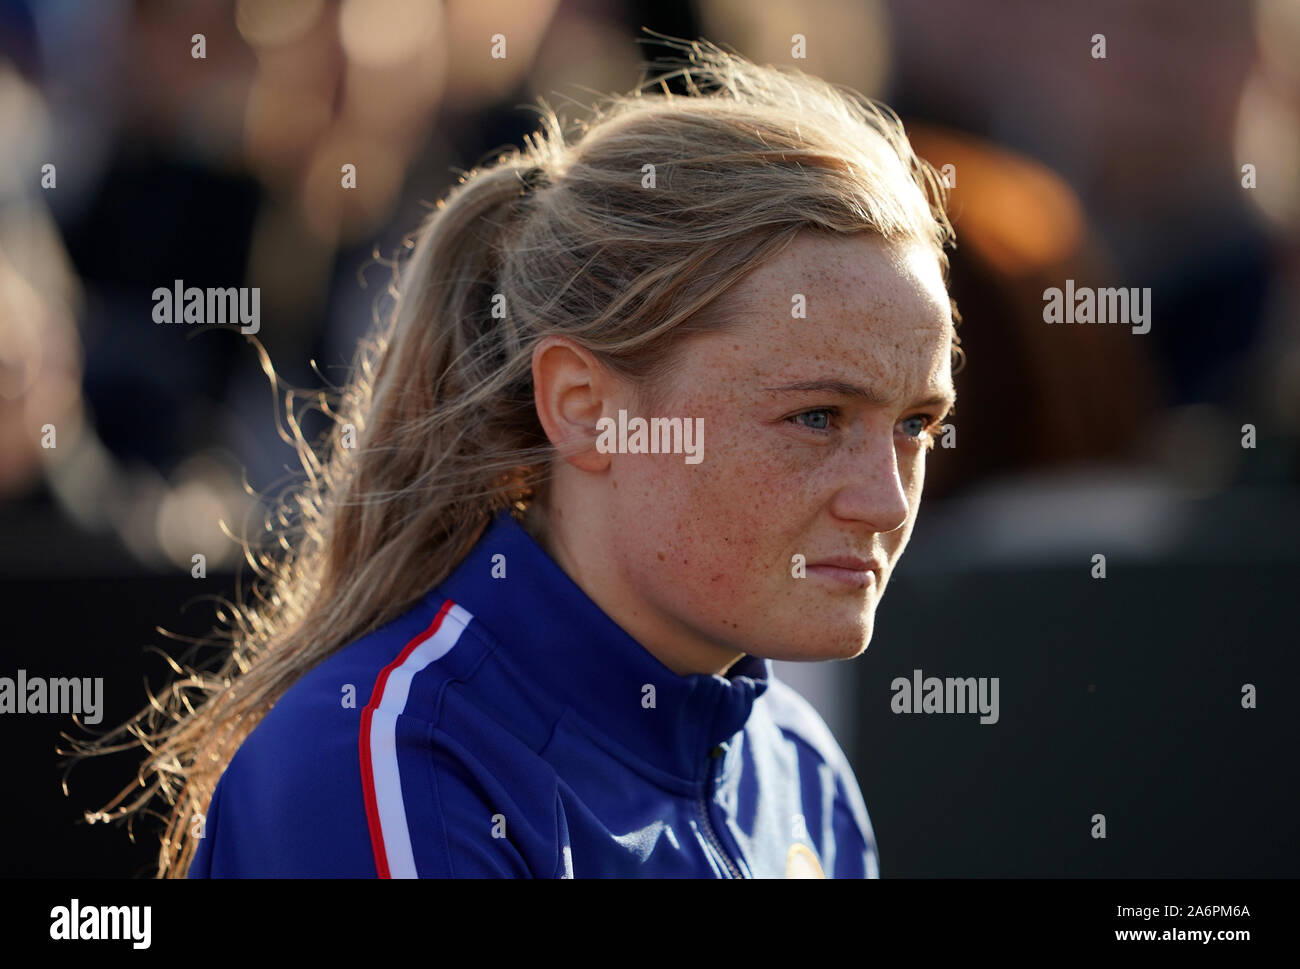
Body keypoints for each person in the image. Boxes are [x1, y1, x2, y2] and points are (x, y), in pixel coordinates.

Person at [84, 38, 960, 878]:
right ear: (585, 409)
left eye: (916, 424)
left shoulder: (798, 771)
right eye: (815, 416)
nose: (885, 500)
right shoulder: (385, 759)